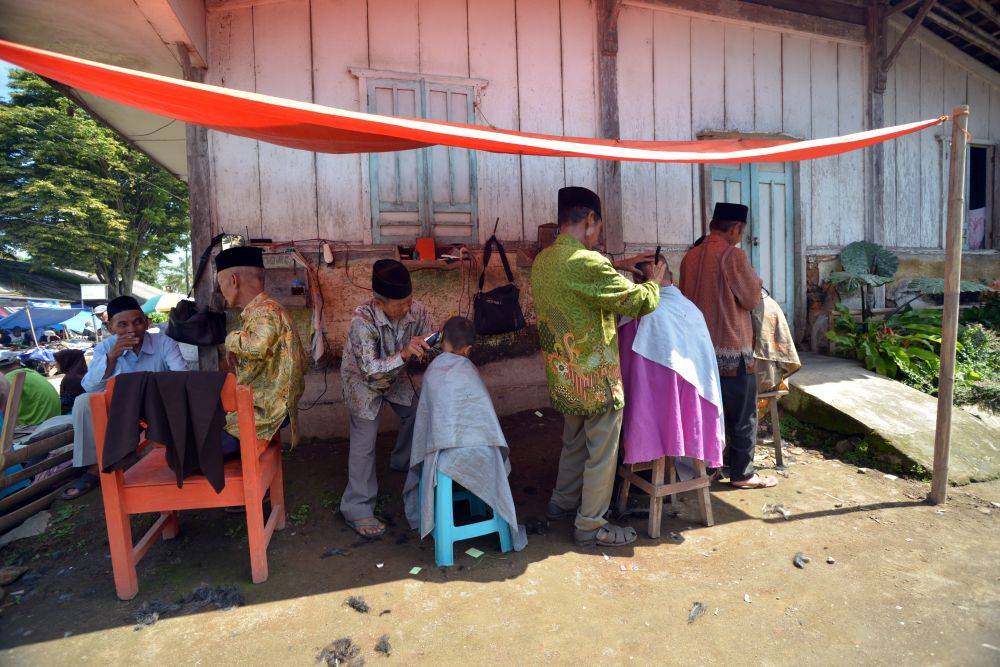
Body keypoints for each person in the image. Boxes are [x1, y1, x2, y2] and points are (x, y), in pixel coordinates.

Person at [531, 186, 664, 548]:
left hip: (563, 375)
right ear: (590, 220)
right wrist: (655, 280)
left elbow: (584, 281)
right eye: (598, 226)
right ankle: (590, 525)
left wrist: (616, 265)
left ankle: (561, 504)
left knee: (573, 443)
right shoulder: (588, 265)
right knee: (601, 453)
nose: (599, 233)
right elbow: (640, 302)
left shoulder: (544, 261)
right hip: (595, 379)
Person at [404, 316, 526, 549]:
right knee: (485, 450)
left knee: (445, 450)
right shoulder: (470, 372)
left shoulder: (432, 372)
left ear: (441, 339)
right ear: (468, 349)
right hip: (482, 451)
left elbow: (427, 423)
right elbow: (485, 420)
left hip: (443, 453)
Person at [679, 202, 776, 490]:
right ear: (735, 228)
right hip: (732, 350)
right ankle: (742, 473)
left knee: (708, 412)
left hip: (699, 352)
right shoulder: (733, 255)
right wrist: (756, 281)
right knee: (743, 414)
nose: (740, 236)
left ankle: (709, 468)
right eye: (740, 231)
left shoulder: (691, 256)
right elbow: (751, 298)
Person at [62, 295, 188, 500]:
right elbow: (89, 386)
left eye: (138, 321)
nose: (132, 329)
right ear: (110, 328)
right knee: (83, 402)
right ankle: (94, 468)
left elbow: (182, 376)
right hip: (121, 410)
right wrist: (112, 358)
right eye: (122, 324)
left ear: (146, 323)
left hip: (158, 406)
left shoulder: (163, 342)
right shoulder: (104, 348)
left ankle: (163, 453)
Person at [340, 259, 431, 538]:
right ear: (379, 302)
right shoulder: (362, 322)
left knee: (417, 412)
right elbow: (369, 370)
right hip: (363, 382)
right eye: (400, 304)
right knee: (364, 443)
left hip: (396, 376)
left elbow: (427, 338)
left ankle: (402, 460)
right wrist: (404, 354)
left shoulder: (416, 310)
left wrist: (433, 345)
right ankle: (357, 508)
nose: (407, 308)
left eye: (409, 300)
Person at [618, 258, 725, 474]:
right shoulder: (692, 310)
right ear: (672, 278)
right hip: (693, 406)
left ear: (638, 281)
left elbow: (624, 365)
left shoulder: (637, 316)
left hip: (649, 413)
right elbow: (704, 366)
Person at [215, 246, 305, 457]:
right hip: (263, 406)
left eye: (221, 285)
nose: (221, 292)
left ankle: (249, 489)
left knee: (199, 453)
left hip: (266, 411)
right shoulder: (264, 311)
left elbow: (257, 346)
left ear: (233, 280)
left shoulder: (265, 312)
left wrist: (230, 339)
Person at [0, 350, 60, 428]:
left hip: (35, 425)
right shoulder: (32, 373)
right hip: (52, 420)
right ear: (18, 362)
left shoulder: (8, 379)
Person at [54, 348, 88, 415]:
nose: (55, 365)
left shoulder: (71, 379)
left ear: (66, 362)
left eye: (57, 362)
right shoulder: (83, 373)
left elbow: (66, 404)